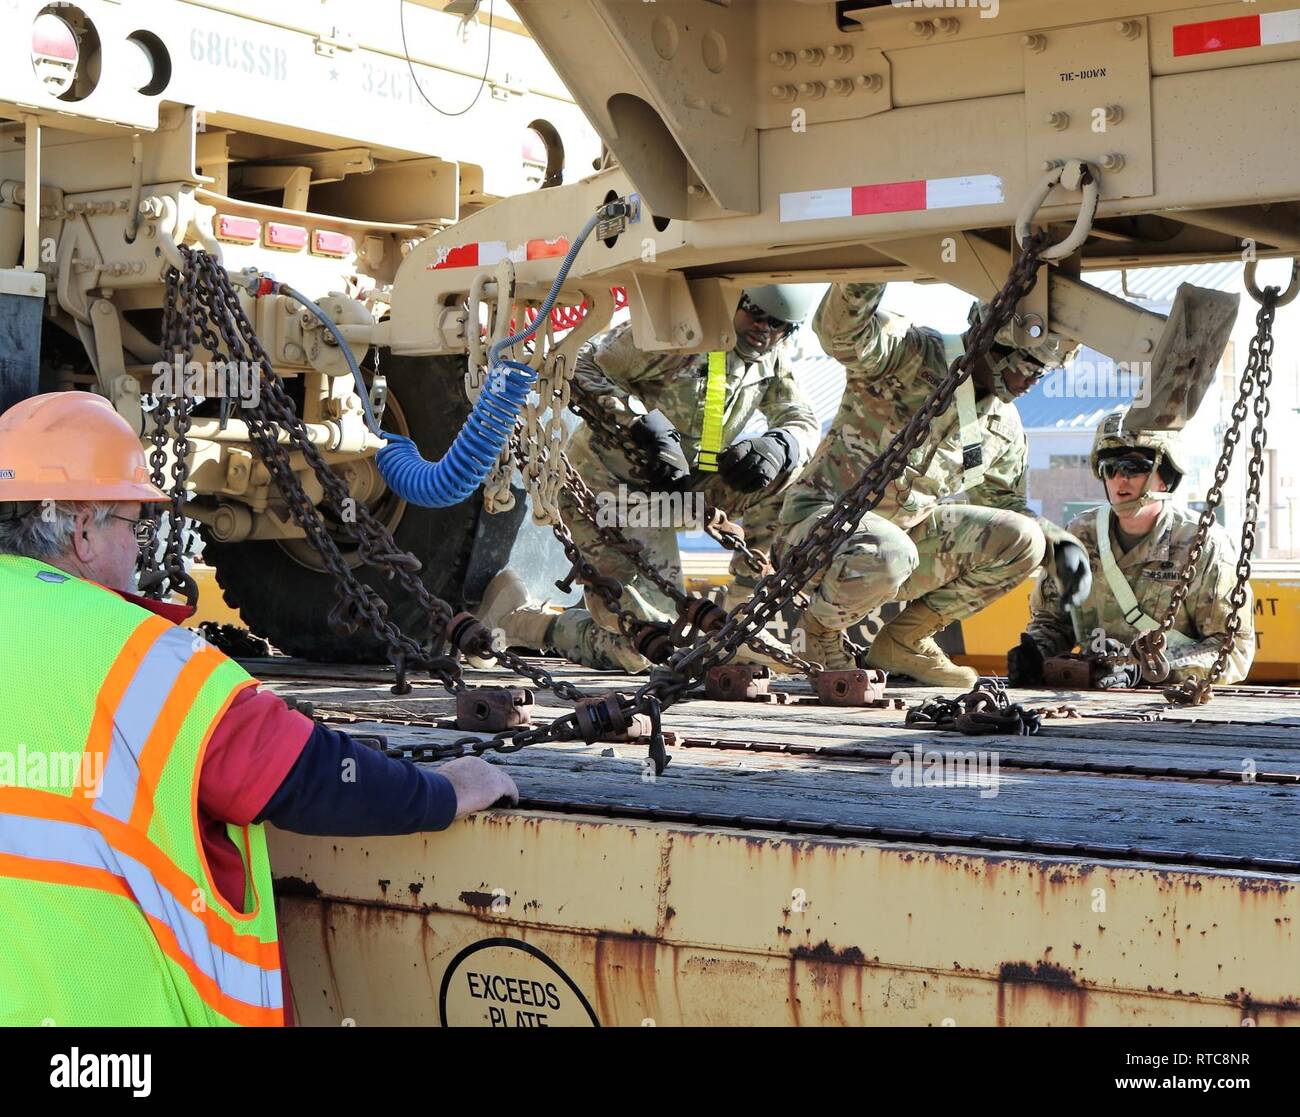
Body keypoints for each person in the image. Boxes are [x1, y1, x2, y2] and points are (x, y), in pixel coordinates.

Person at [0, 392, 518, 1026]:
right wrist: (443, 792)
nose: (137, 550)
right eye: (132, 524)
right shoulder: (136, 656)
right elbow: (305, 775)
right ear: (82, 529)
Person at [479, 285, 824, 673]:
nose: (764, 328)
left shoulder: (769, 361)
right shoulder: (675, 334)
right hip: (607, 487)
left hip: (677, 493)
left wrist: (782, 444)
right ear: (733, 303)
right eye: (755, 314)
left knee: (788, 473)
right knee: (640, 641)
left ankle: (740, 612)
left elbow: (801, 417)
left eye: (778, 324)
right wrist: (642, 422)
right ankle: (520, 621)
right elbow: (579, 363)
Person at [778, 284, 1092, 687]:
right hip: (817, 533)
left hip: (897, 550)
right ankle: (819, 634)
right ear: (993, 343)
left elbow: (1003, 500)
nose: (1033, 382)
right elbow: (840, 334)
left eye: (1044, 372)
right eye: (1030, 366)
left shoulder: (1003, 426)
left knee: (1024, 540)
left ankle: (904, 641)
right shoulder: (909, 353)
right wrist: (867, 272)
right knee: (890, 549)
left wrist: (1058, 544)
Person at [1009, 408, 1255, 688]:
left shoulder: (1202, 544)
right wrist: (1037, 653)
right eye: (1109, 469)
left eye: (1133, 468)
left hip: (1166, 705)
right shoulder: (1080, 534)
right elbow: (1053, 620)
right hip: (1089, 696)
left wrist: (1152, 670)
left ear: (1166, 476)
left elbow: (1231, 649)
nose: (1119, 480)